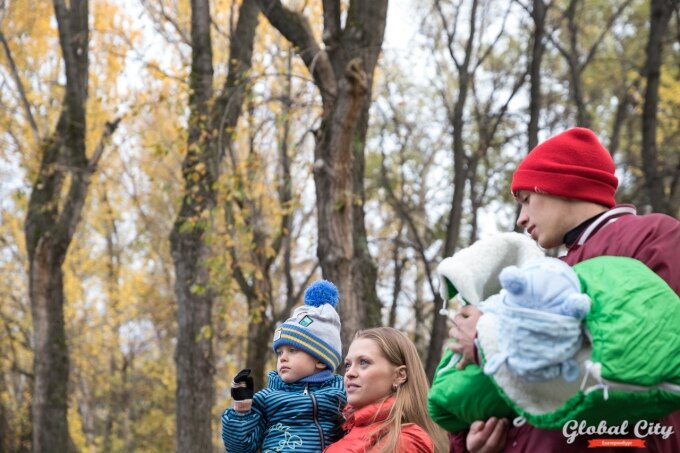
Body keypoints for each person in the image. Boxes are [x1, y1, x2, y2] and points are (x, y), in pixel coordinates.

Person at [448, 127, 680, 452]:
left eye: (526, 200)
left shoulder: (651, 237)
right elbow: (537, 398)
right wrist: (475, 441)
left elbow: (643, 353)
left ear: (563, 185)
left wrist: (487, 334)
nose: (521, 218)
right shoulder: (553, 271)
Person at [221, 280, 346, 453]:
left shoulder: (341, 393)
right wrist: (241, 410)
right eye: (279, 353)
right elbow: (240, 447)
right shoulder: (267, 398)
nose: (283, 358)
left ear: (321, 360)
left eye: (293, 350)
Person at [326, 327, 448, 453]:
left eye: (363, 362)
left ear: (400, 375)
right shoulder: (342, 427)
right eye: (348, 365)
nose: (350, 373)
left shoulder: (405, 441)